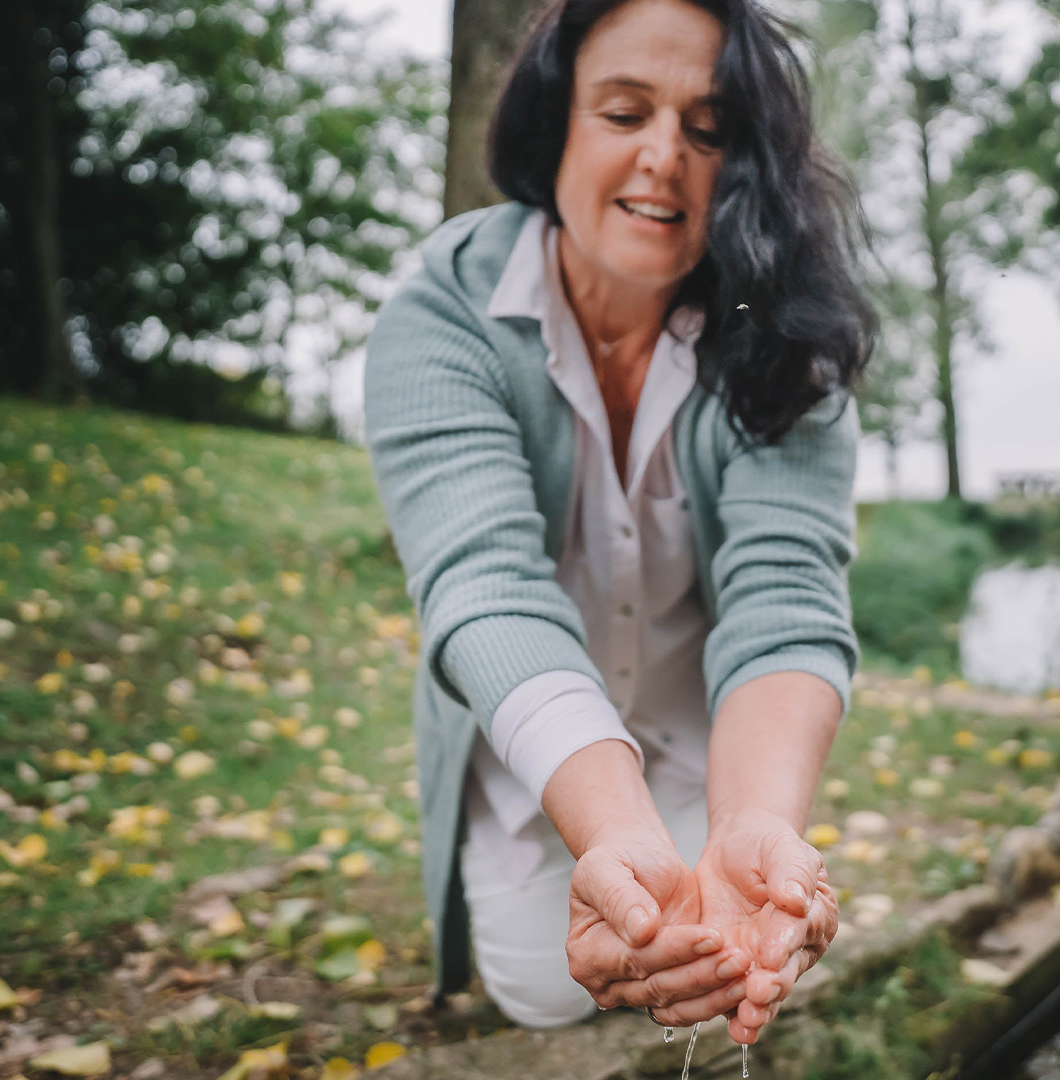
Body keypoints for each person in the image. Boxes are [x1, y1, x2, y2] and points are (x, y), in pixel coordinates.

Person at [361, 0, 873, 1046]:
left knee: (729, 952)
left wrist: (756, 824)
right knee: (546, 991)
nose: (664, 158)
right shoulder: (440, 316)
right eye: (625, 112)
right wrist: (617, 834)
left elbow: (785, 600)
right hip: (539, 748)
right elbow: (483, 588)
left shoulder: (785, 336)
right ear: (556, 125)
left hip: (708, 733)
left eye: (709, 129)